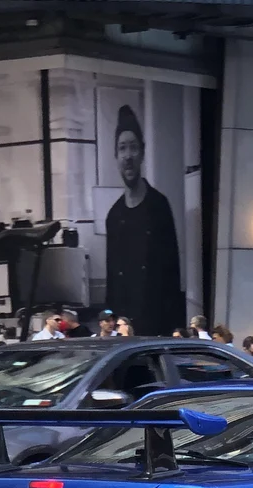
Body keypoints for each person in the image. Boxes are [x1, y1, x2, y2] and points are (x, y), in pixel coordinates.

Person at [104, 104, 184, 336]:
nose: (128, 156)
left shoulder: (159, 206)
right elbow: (111, 281)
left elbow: (172, 272)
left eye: (133, 148)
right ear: (116, 156)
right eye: (122, 149)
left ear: (142, 153)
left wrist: (174, 328)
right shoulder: (114, 215)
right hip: (122, 333)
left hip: (156, 327)